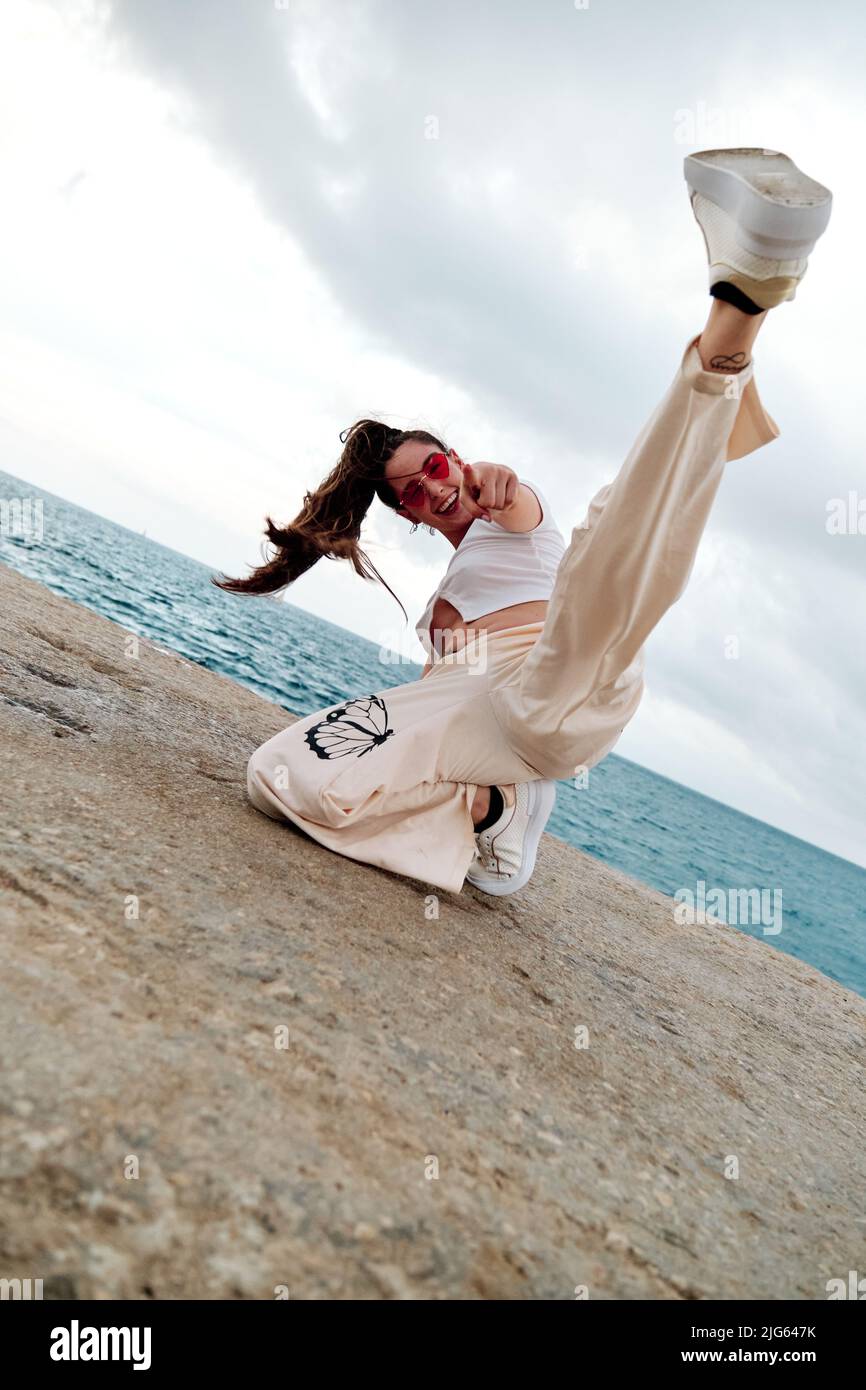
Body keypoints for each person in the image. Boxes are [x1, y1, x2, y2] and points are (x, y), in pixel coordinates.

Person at [214, 148, 832, 898]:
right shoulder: (449, 592)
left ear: (456, 460)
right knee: (278, 774)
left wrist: (500, 486)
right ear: (404, 514)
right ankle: (494, 813)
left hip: (562, 670)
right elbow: (430, 707)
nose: (434, 492)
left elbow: (512, 499)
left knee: (607, 541)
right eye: (411, 493)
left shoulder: (512, 519)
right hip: (483, 719)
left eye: (436, 469)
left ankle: (739, 309)